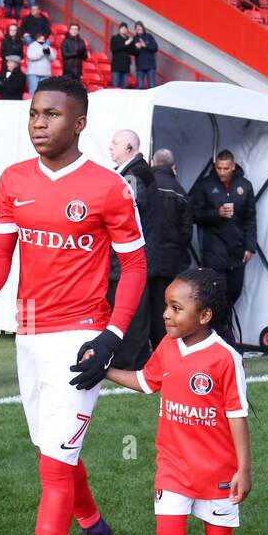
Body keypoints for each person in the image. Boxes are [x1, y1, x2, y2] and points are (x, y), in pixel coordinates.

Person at [0, 76, 146, 535]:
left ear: (79, 122)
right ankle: (97, 531)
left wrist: (110, 337)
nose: (39, 123)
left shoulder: (109, 188)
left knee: (54, 468)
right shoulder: (13, 180)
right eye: (34, 113)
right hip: (28, 335)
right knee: (54, 448)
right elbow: (1, 250)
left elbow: (134, 268)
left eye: (52, 115)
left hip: (80, 339)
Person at [101, 267, 249, 535]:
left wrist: (243, 469)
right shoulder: (167, 346)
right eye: (166, 305)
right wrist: (104, 370)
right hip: (173, 466)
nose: (166, 314)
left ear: (204, 316)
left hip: (217, 469)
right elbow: (146, 382)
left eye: (176, 308)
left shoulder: (225, 358)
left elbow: (237, 416)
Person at [108, 129, 154, 371]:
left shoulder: (134, 176)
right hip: (128, 257)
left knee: (132, 312)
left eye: (114, 143)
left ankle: (130, 361)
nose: (110, 148)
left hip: (128, 258)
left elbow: (128, 209)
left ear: (129, 148)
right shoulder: (134, 173)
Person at [190, 149, 257, 315]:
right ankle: (217, 333)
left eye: (225, 168)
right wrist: (216, 214)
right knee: (215, 294)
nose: (221, 172)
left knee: (234, 292)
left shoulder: (245, 186)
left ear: (233, 166)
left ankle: (222, 330)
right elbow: (193, 214)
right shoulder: (205, 185)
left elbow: (250, 219)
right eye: (219, 168)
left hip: (237, 250)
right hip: (213, 250)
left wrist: (250, 246)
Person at [143, 149, 193, 347]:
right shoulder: (179, 190)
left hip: (146, 257)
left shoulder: (145, 185)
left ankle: (144, 348)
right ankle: (163, 346)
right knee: (167, 304)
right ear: (172, 166)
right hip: (171, 260)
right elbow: (186, 231)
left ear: (153, 162)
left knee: (143, 306)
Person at [132, 21, 159, 90]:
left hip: (150, 65)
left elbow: (155, 48)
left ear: (143, 28)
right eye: (136, 27)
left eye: (139, 27)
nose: (138, 28)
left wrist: (145, 46)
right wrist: (136, 48)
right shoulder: (134, 38)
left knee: (152, 86)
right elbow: (132, 52)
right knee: (140, 86)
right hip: (140, 66)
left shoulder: (149, 36)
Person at [110, 22, 134, 88]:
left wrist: (134, 43)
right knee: (115, 86)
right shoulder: (114, 38)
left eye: (125, 28)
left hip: (125, 66)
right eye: (122, 28)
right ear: (119, 29)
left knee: (125, 87)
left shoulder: (129, 39)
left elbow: (132, 51)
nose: (123, 29)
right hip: (116, 66)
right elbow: (113, 49)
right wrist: (125, 44)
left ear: (127, 30)